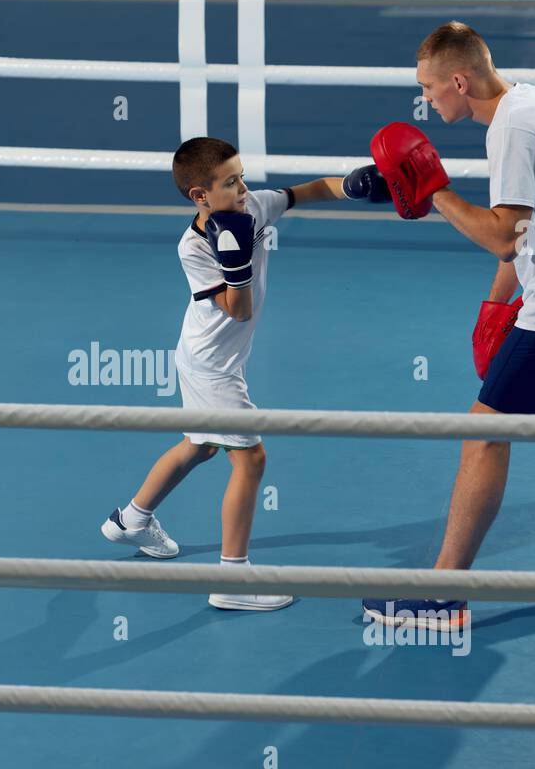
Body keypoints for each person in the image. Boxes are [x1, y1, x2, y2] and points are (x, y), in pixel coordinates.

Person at [346, 21, 535, 631]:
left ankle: (443, 597)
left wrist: (432, 190)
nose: (427, 100)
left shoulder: (512, 129)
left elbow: (499, 231)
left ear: (460, 80)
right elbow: (524, 239)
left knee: (484, 434)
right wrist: (494, 309)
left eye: (431, 89)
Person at [101, 136, 385, 611]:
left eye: (241, 175)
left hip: (202, 357)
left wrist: (351, 187)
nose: (243, 187)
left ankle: (130, 519)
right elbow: (238, 311)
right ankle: (233, 578)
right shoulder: (193, 249)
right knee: (250, 460)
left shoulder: (250, 205)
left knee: (201, 444)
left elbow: (305, 191)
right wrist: (237, 266)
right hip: (212, 366)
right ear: (200, 195)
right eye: (231, 181)